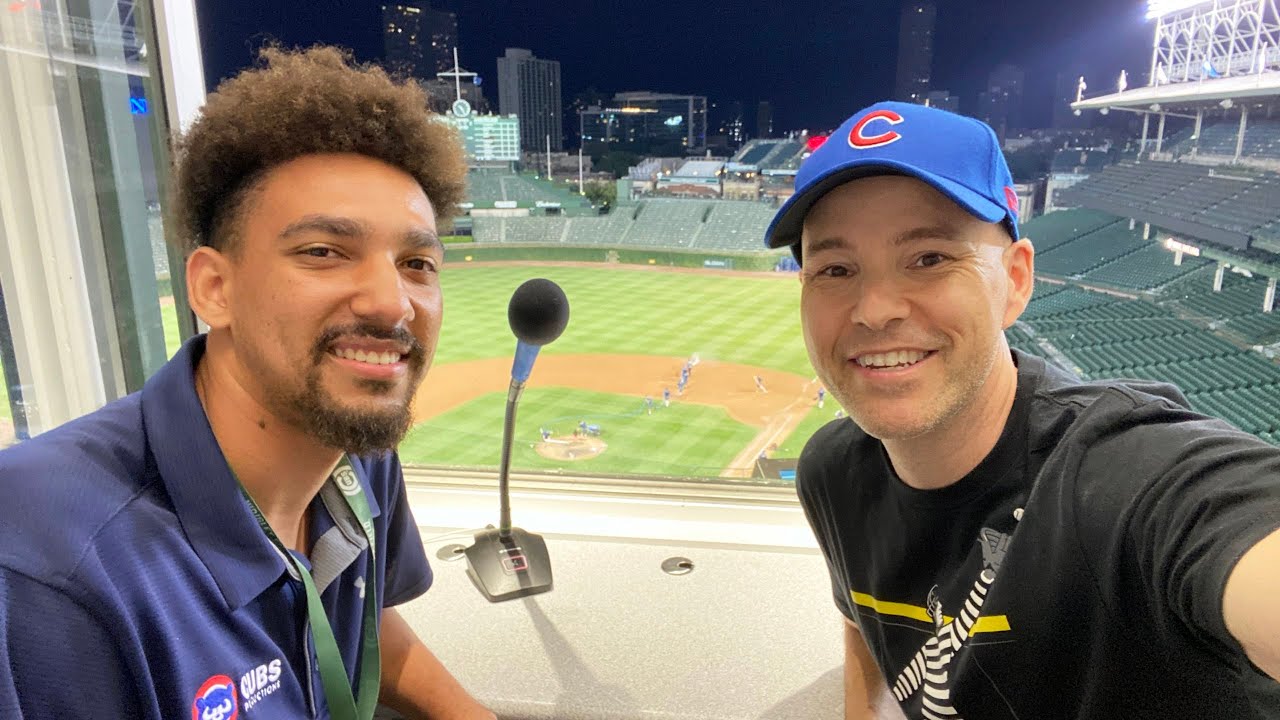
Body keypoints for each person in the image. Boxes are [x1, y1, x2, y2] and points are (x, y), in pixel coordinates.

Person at [0, 46, 494, 720]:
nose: (392, 302)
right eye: (324, 252)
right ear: (214, 287)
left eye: (416, 262)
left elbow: (355, 615)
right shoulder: (46, 571)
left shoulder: (353, 448)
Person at [763, 100, 1280, 719]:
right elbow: (863, 627)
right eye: (835, 268)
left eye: (929, 258)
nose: (874, 309)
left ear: (1015, 280)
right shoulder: (831, 471)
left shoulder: (1125, 478)